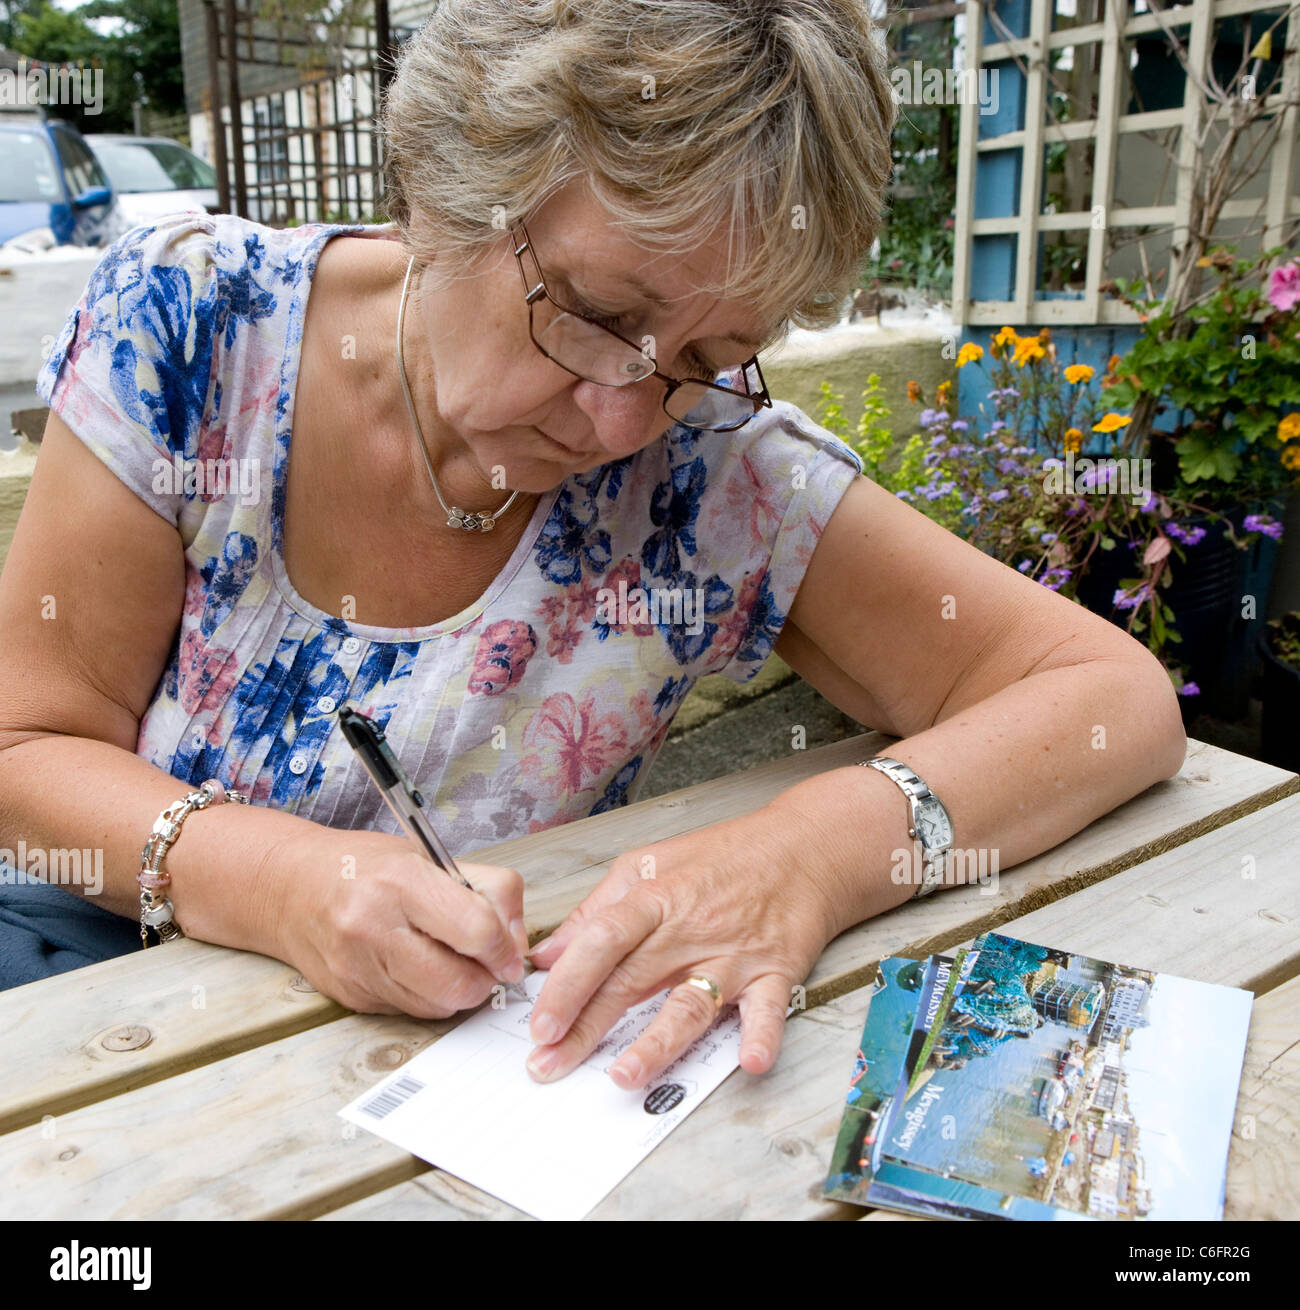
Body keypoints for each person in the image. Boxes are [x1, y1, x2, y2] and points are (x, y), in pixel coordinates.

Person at [0, 0, 1185, 1095]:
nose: (624, 416)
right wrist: (284, 882)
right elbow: (24, 742)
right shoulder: (195, 322)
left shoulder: (721, 474)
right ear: (454, 183)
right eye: (600, 317)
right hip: (91, 999)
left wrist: (805, 857)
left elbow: (1109, 700)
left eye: (708, 353)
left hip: (443, 1093)